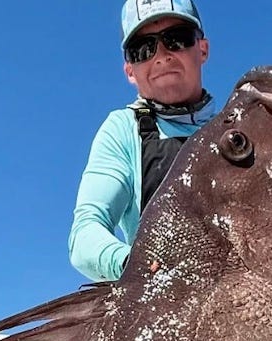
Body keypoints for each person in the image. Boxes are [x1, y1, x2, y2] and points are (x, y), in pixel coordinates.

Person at [68, 0, 216, 282]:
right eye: (143, 49)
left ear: (203, 49)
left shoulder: (238, 130)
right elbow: (84, 235)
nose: (161, 56)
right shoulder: (123, 129)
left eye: (177, 39)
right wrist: (134, 267)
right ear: (130, 71)